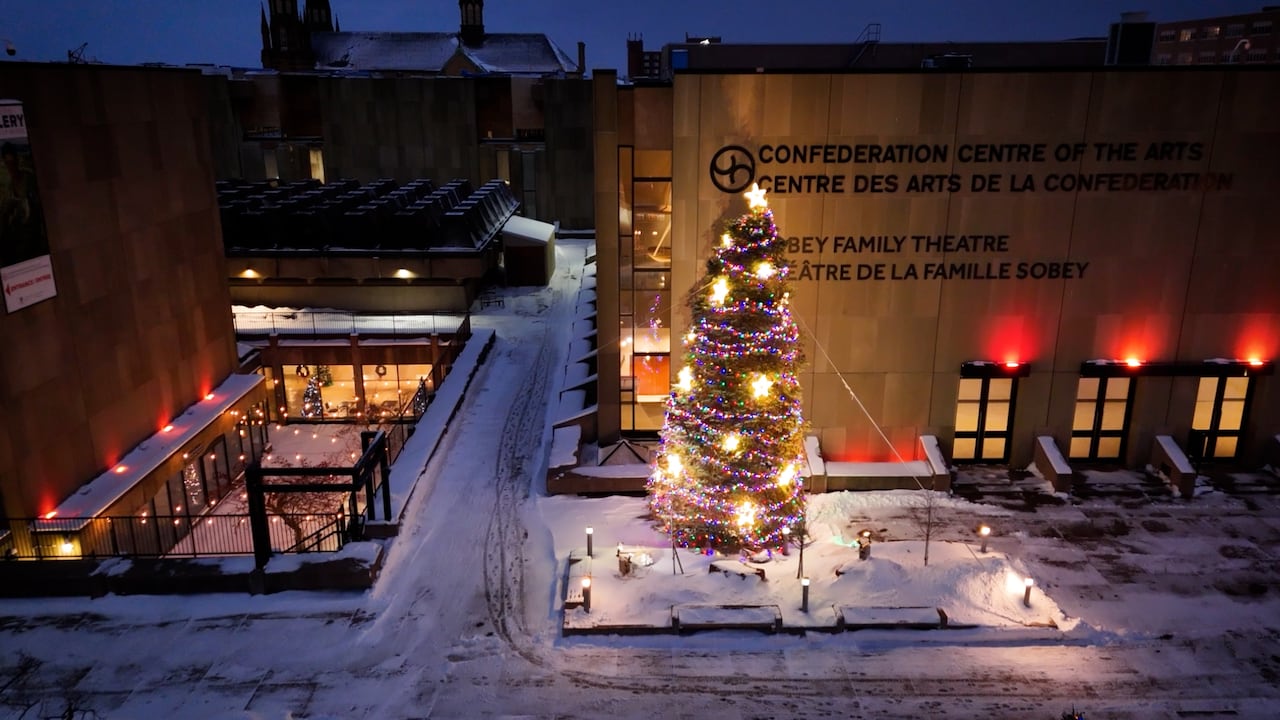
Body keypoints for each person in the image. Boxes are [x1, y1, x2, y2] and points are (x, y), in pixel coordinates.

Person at [0, 141, 48, 267]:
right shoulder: (9, 188)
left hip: (34, 238)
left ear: (17, 160)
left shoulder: (29, 179)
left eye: (13, 162)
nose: (11, 166)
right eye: (8, 163)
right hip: (21, 238)